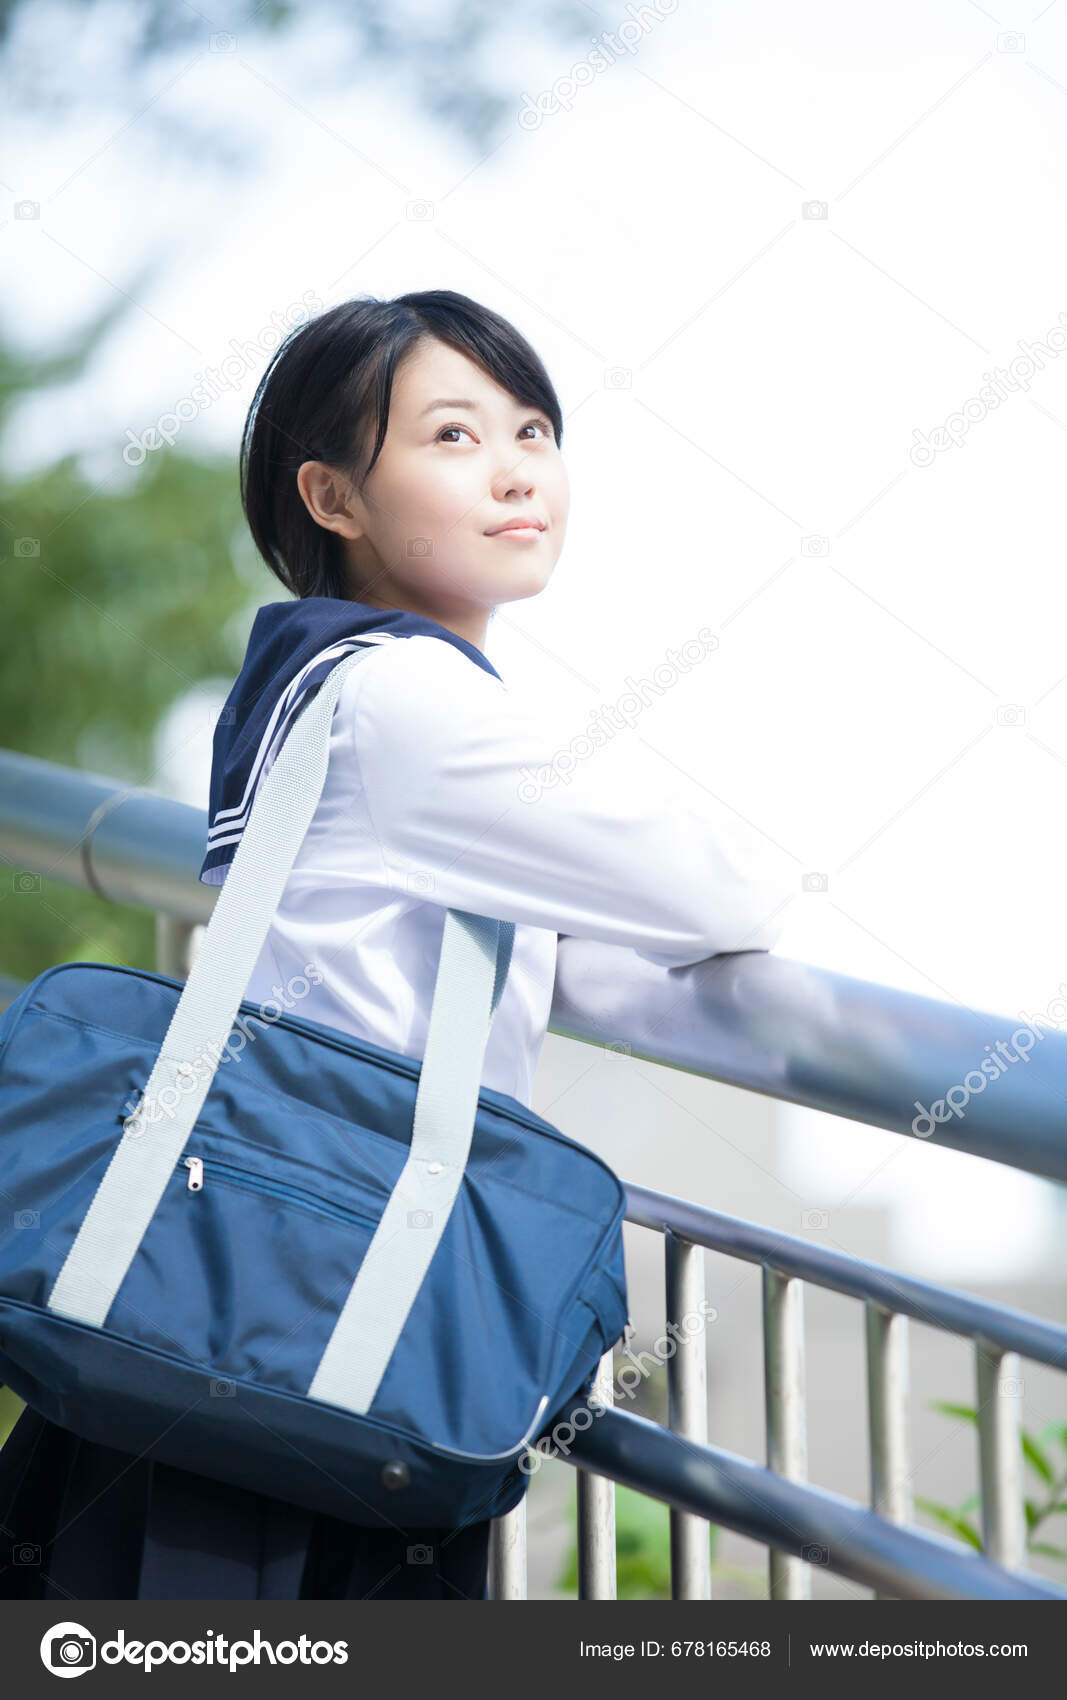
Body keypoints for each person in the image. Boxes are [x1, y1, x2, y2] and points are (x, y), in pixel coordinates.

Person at [0, 289, 791, 1601]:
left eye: (533, 429)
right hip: (318, 1345)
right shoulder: (408, 697)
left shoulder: (314, 680)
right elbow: (720, 894)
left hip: (218, 1313)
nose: (516, 470)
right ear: (332, 498)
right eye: (452, 436)